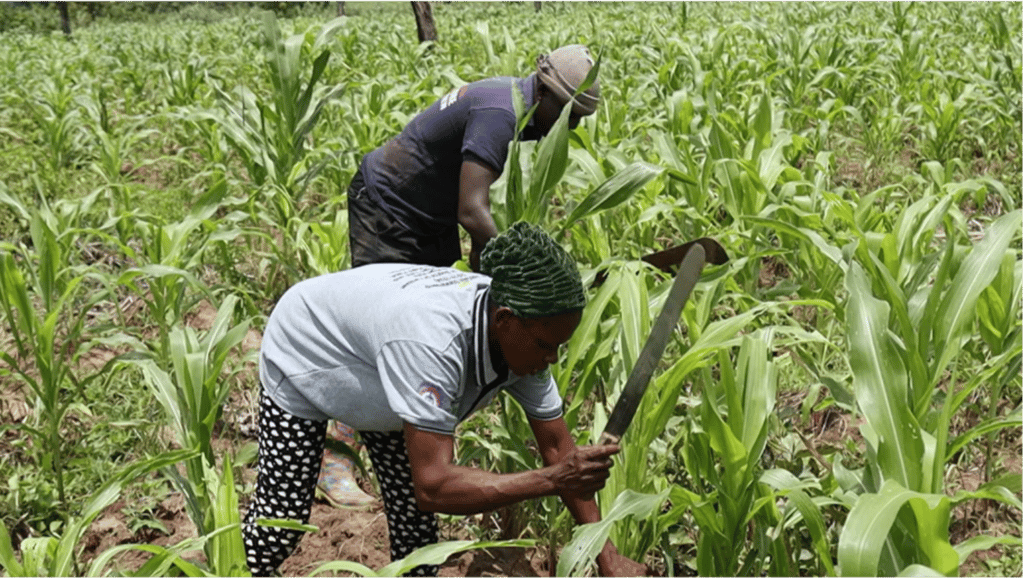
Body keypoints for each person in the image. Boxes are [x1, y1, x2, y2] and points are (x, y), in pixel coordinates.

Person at [242, 223, 647, 578]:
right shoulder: (433, 344)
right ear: (504, 320)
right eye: (546, 345)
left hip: (384, 368)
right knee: (281, 522)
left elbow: (559, 449)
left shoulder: (526, 340)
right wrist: (553, 480)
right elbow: (434, 487)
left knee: (418, 538)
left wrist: (606, 556)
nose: (552, 360)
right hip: (308, 349)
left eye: (560, 346)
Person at [317, 44, 602, 507]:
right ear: (548, 94)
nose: (574, 127)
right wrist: (512, 277)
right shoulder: (500, 113)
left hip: (426, 217)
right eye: (572, 113)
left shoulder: (513, 105)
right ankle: (334, 462)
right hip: (391, 207)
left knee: (413, 342)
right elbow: (473, 210)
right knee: (382, 335)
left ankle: (398, 456)